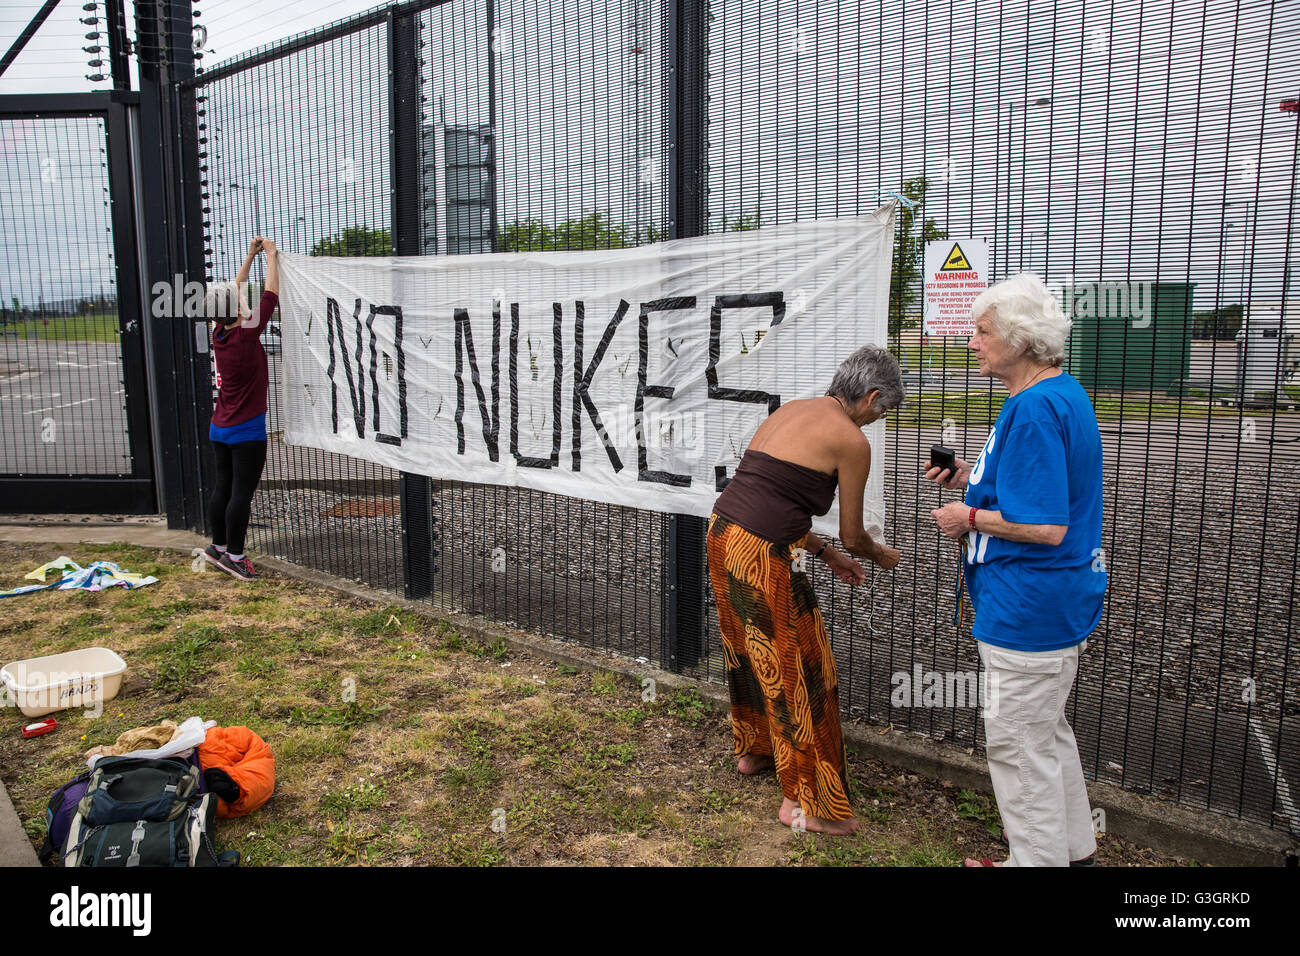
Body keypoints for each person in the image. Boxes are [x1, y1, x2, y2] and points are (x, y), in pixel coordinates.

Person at [924, 272, 1106, 867]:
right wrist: (969, 480)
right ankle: (1071, 847)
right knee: (1046, 732)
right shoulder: (1057, 394)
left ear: (1020, 340)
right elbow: (1033, 491)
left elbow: (1047, 527)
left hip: (1027, 605)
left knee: (1018, 742)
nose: (972, 341)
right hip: (1051, 601)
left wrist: (968, 516)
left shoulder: (1031, 410)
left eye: (982, 331)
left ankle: (1037, 861)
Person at [707, 343, 904, 836]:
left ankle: (755, 752)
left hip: (722, 533)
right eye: (882, 413)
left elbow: (775, 499)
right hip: (759, 553)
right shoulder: (852, 441)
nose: (876, 423)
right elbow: (856, 533)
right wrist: (881, 555)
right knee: (804, 668)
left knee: (749, 653)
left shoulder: (793, 409)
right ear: (872, 397)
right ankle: (808, 802)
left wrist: (827, 556)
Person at [200, 237, 279, 582]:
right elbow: (271, 295)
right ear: (236, 311)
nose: (243, 299)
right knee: (240, 495)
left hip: (220, 427)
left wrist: (250, 256)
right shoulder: (247, 334)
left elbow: (236, 288)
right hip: (246, 430)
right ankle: (235, 557)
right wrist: (271, 258)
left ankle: (217, 547)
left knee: (222, 487)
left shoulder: (219, 332)